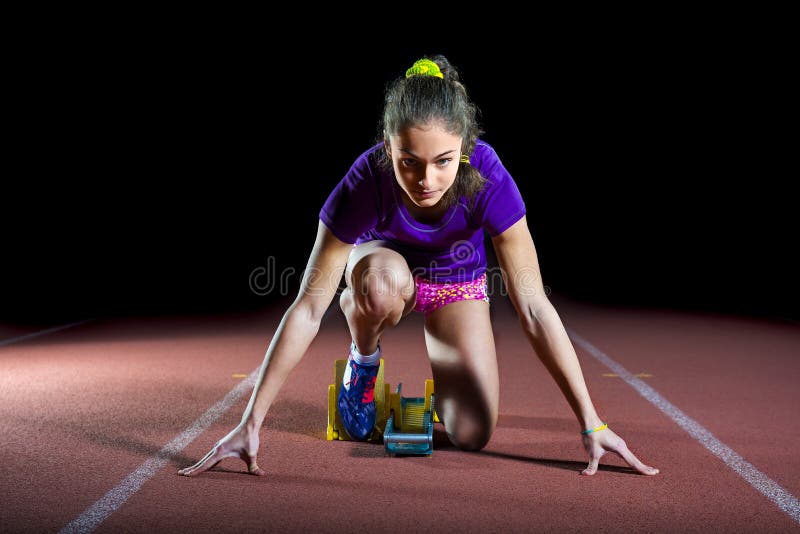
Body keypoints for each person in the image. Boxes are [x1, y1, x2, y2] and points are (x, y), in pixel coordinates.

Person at [178, 55, 659, 477]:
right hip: (383, 276)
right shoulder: (366, 178)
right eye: (408, 161)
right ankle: (364, 362)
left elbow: (532, 305)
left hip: (456, 285)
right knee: (382, 286)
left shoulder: (490, 177)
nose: (425, 179)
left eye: (443, 161)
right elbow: (307, 305)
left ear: (466, 152)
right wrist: (250, 422)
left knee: (472, 434)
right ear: (389, 148)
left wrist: (591, 423)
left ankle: (445, 397)